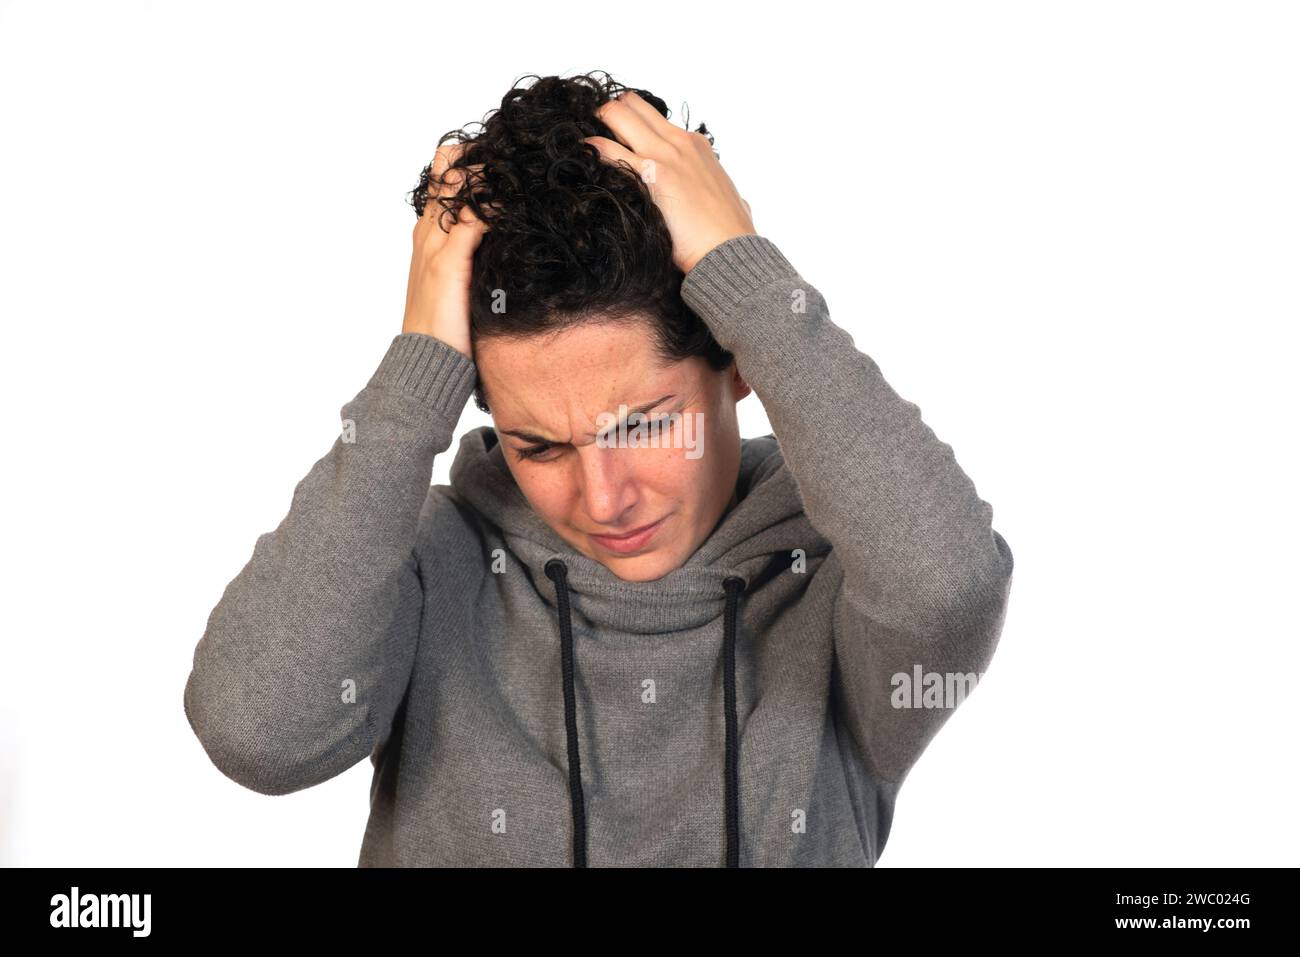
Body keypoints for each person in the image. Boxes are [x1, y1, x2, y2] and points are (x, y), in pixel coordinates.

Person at [183, 72, 1015, 867]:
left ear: (738, 362)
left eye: (646, 425)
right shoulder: (422, 563)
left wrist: (752, 282)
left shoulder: (840, 575)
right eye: (540, 445)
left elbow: (950, 586)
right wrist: (416, 372)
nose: (604, 498)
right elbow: (257, 730)